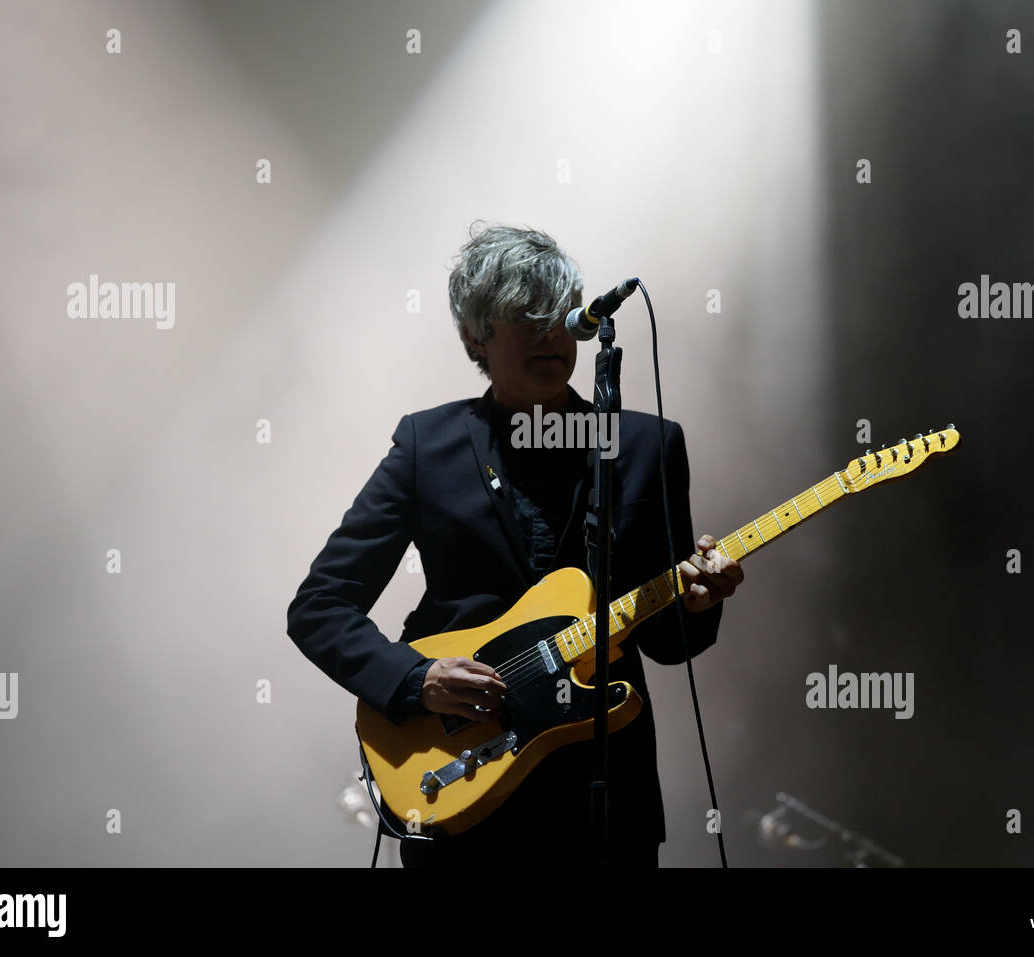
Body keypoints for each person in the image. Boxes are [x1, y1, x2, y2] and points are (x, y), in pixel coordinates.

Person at [286, 222, 743, 867]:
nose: (549, 335)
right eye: (524, 318)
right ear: (476, 335)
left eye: (559, 316)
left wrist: (698, 602)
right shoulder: (427, 447)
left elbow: (669, 646)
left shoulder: (646, 446)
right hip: (460, 784)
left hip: (603, 802)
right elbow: (320, 605)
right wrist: (416, 680)